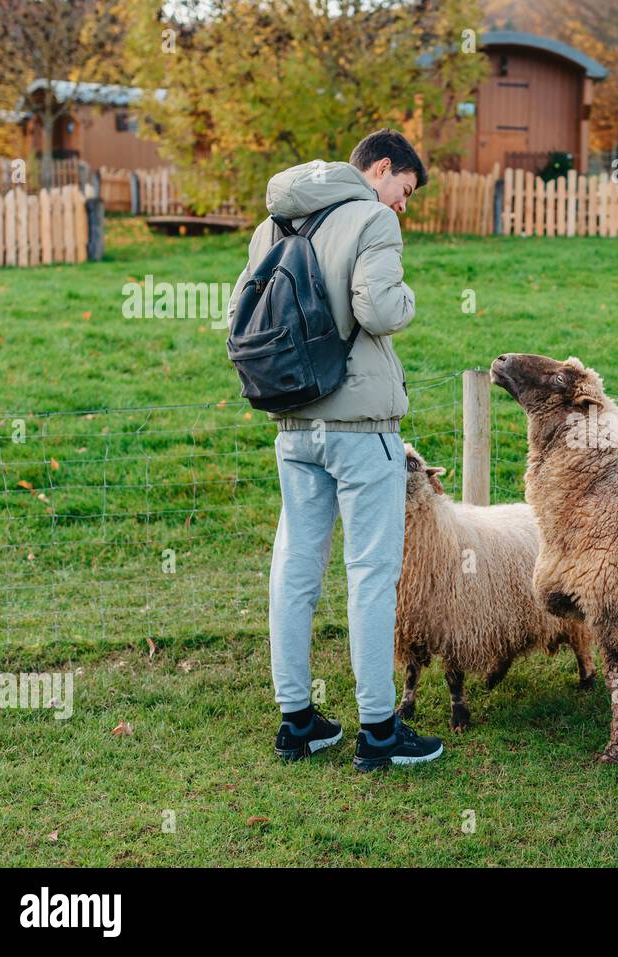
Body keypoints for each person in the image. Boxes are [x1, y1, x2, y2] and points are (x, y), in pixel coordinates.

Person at [226, 128, 444, 771]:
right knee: (372, 575)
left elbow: (241, 310)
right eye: (403, 191)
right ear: (380, 169)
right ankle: (379, 731)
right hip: (358, 429)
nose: (401, 206)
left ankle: (297, 722)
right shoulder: (371, 219)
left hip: (293, 424)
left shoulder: (274, 224)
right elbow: (378, 310)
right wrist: (409, 300)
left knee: (294, 570)